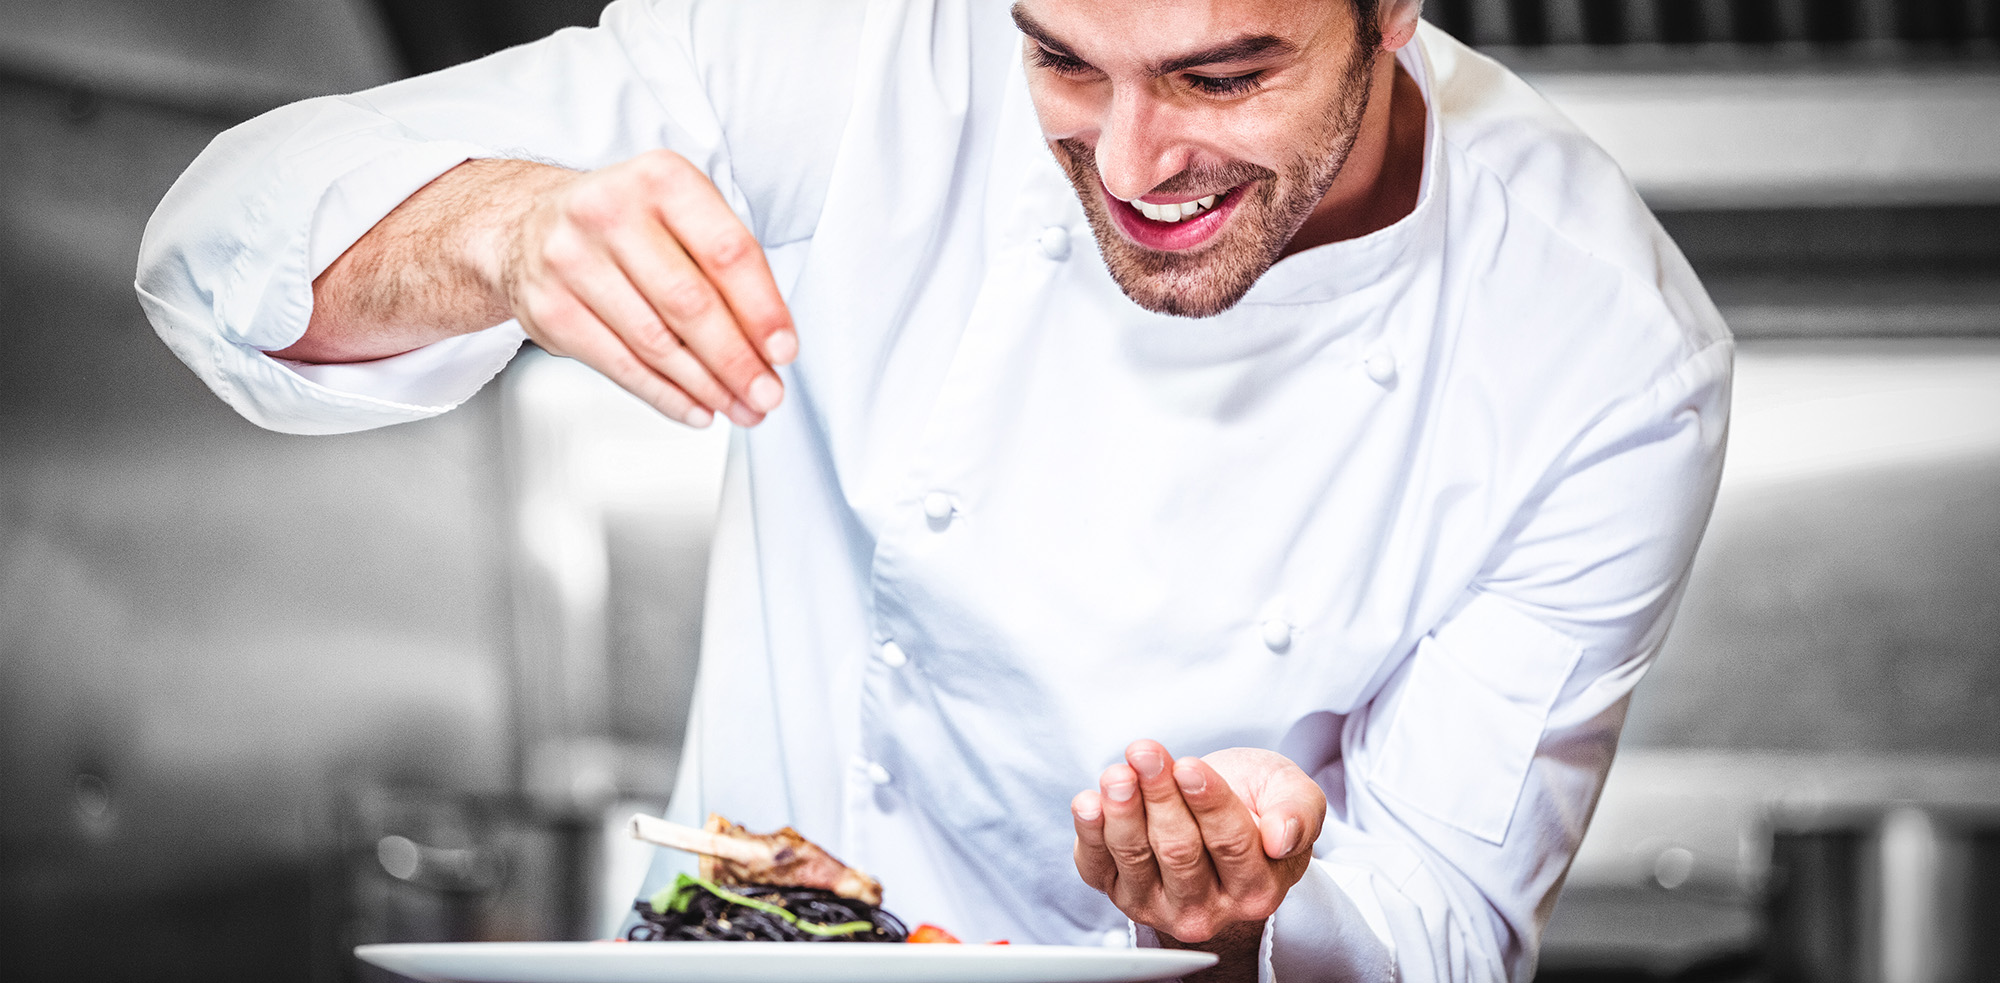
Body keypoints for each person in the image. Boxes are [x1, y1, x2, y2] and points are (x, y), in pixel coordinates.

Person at [136, 0, 1731, 979]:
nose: (1130, 163)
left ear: (1393, 13)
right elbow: (218, 246)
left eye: (1225, 76)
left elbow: (1449, 921)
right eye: (1061, 59)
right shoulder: (851, 44)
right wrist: (499, 228)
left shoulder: (1593, 342)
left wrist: (1260, 917)